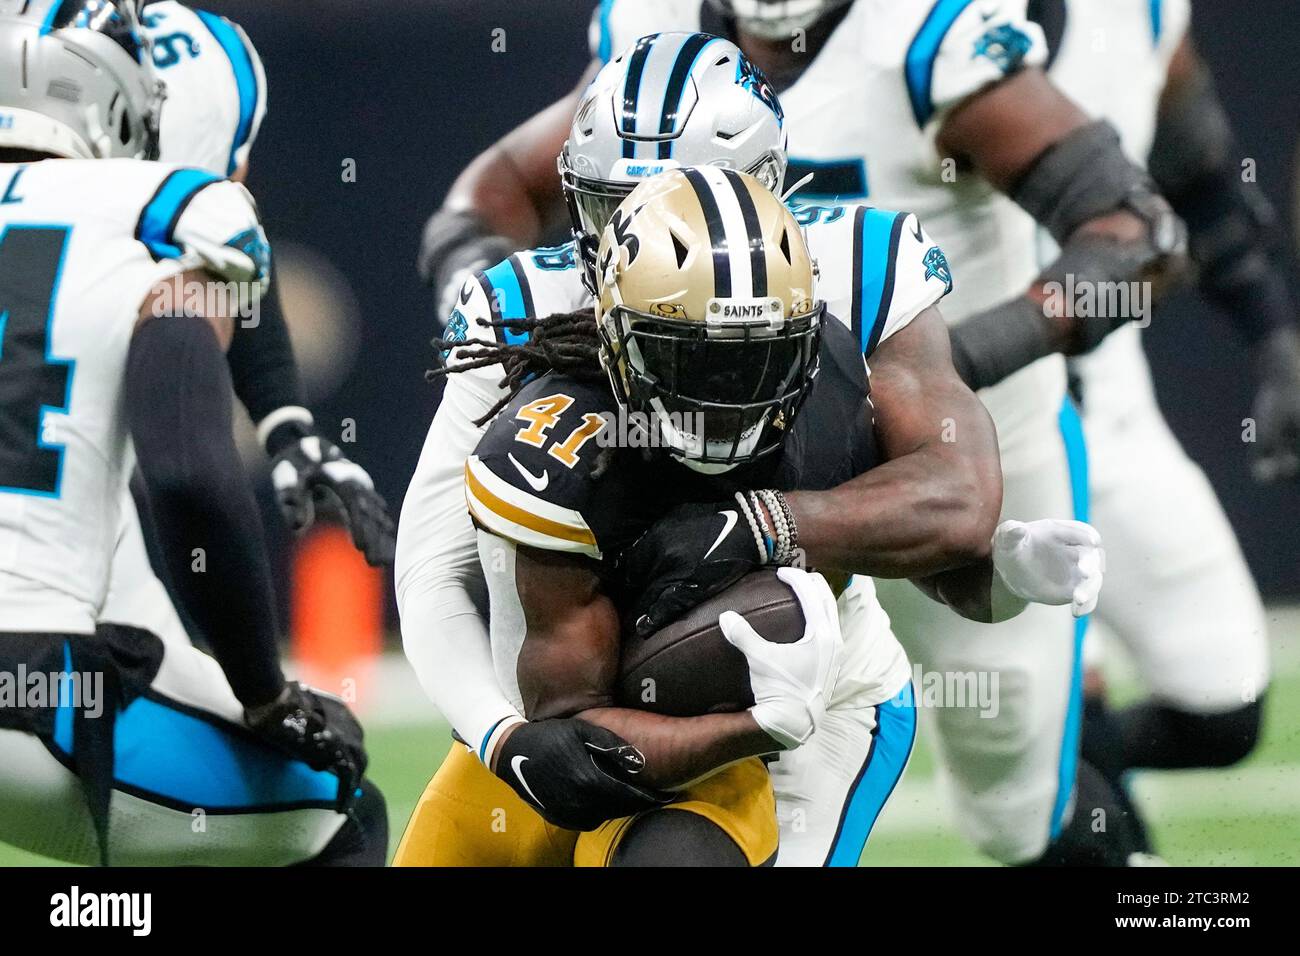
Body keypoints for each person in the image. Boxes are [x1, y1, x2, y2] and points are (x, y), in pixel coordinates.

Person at [416, 4, 1173, 864]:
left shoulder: (845, 292)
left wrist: (756, 531)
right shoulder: (521, 311)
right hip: (560, 703)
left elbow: (954, 519)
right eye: (617, 206)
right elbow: (432, 569)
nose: (636, 242)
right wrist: (498, 735)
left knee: (1011, 802)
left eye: (676, 212)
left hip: (795, 691)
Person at [0, 0, 384, 866]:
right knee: (336, 808)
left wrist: (283, 416)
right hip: (24, 683)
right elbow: (189, 475)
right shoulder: (162, 207)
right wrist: (265, 693)